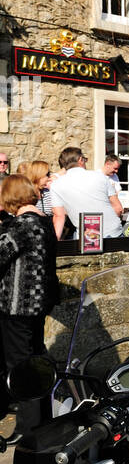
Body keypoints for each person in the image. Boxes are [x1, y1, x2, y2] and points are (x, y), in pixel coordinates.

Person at [0, 174, 58, 436]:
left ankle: (29, 429)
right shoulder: (43, 223)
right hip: (38, 304)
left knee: (21, 367)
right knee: (36, 360)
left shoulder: (22, 226)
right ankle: (43, 421)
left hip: (18, 306)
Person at [51, 146, 124, 241]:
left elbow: (59, 216)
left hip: (86, 237)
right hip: (112, 233)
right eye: (85, 159)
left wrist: (54, 244)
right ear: (80, 160)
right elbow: (118, 208)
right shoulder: (100, 177)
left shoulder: (56, 184)